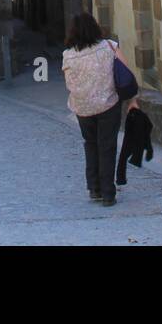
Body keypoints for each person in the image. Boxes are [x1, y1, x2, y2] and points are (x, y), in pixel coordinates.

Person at [61, 12, 136, 207]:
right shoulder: (109, 47)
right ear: (95, 27)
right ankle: (108, 192)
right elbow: (126, 74)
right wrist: (132, 101)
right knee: (107, 146)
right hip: (108, 104)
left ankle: (94, 188)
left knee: (90, 144)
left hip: (83, 107)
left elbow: (69, 81)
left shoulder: (68, 55)